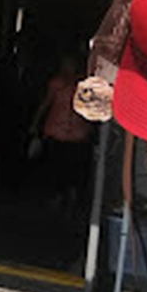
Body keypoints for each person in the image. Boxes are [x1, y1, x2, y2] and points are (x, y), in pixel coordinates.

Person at [31, 54, 92, 214]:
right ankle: (57, 196)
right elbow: (46, 103)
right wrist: (35, 124)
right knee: (55, 165)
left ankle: (71, 195)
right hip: (56, 131)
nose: (69, 67)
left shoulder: (84, 84)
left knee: (73, 166)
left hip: (77, 133)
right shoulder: (56, 83)